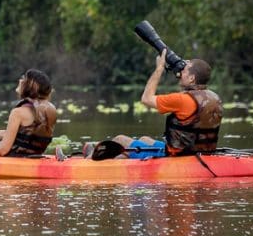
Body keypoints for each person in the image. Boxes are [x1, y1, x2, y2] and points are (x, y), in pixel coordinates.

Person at [92, 48, 222, 159]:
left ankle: (88, 164)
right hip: (201, 153)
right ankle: (122, 162)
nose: (181, 72)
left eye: (185, 70)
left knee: (120, 139)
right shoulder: (215, 97)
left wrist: (159, 69)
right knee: (144, 139)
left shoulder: (182, 100)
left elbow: (146, 99)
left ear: (192, 78)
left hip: (178, 156)